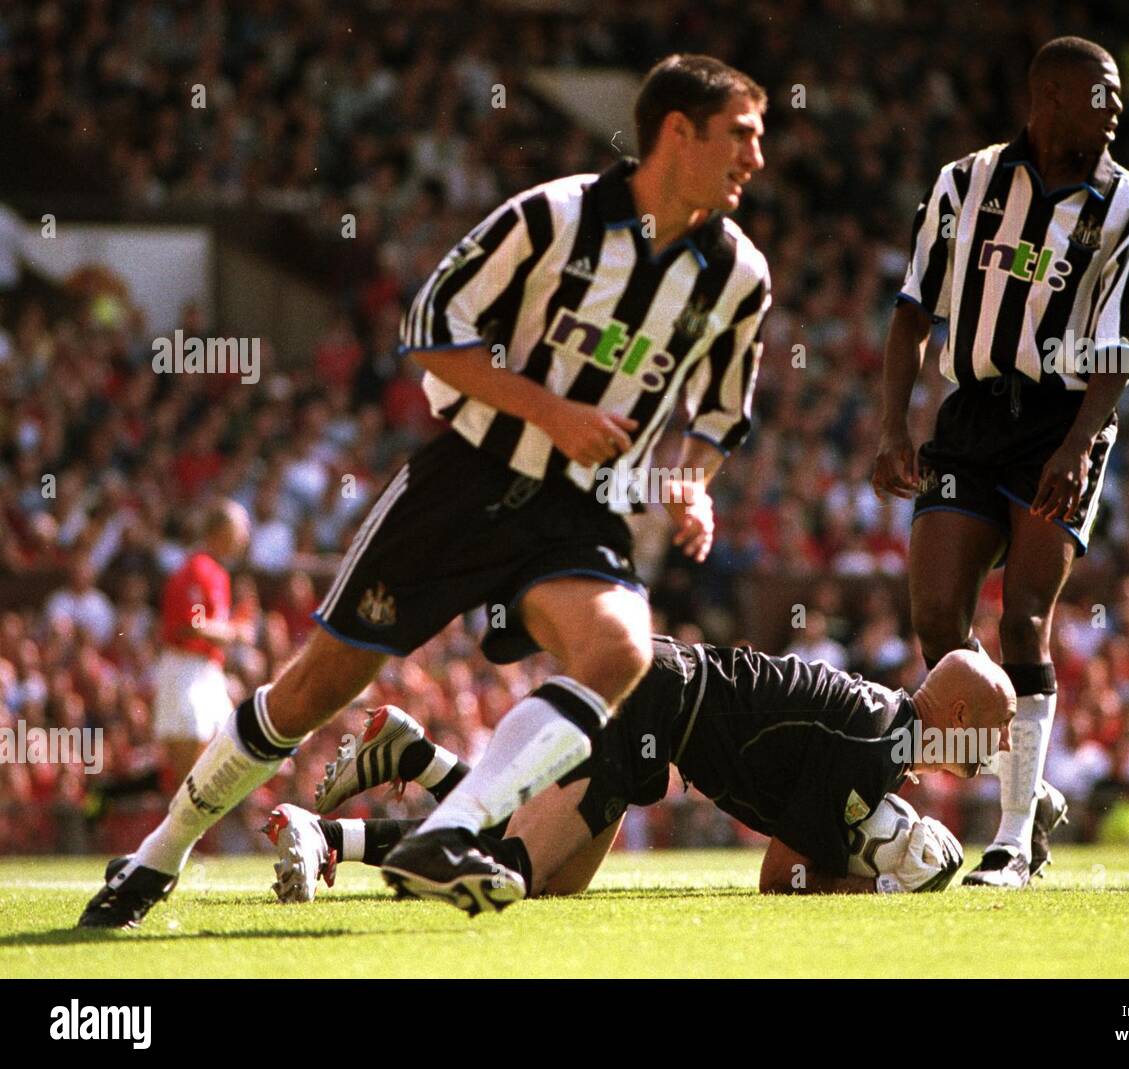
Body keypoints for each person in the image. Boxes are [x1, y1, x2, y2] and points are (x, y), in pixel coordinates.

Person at [79, 54, 771, 927]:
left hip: (580, 509)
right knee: (310, 691)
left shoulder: (739, 276)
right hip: (467, 480)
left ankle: (448, 831)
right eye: (743, 135)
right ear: (679, 131)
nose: (756, 158)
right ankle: (156, 854)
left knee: (621, 650)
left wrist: (693, 486)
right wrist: (550, 410)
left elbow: (720, 415)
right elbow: (431, 330)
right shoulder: (553, 218)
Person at [871, 36, 1129, 887]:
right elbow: (912, 309)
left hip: (1063, 418)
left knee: (1024, 616)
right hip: (968, 415)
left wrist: (1077, 445)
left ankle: (1012, 836)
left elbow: (1123, 341)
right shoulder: (966, 183)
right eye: (1102, 93)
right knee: (935, 621)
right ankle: (1023, 786)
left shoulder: (1127, 202)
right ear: (1053, 98)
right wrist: (894, 425)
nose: (1118, 108)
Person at [261, 637, 1014, 910]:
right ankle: (345, 818)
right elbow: (780, 875)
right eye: (993, 722)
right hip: (653, 703)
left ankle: (398, 772)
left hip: (662, 703)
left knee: (555, 881)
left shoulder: (885, 735)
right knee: (513, 868)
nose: (997, 745)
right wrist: (877, 882)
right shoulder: (875, 746)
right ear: (950, 707)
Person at [152, 501, 252, 791]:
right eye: (240, 528)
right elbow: (190, 624)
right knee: (188, 776)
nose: (245, 535)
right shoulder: (197, 570)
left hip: (209, 671)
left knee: (227, 756)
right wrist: (234, 631)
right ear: (220, 531)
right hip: (186, 670)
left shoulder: (219, 574)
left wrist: (233, 628)